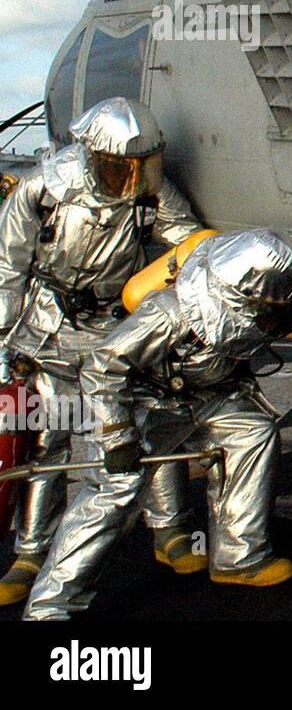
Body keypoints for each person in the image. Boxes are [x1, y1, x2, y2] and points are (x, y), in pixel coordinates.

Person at [24, 228, 292, 620]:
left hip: (217, 394)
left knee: (252, 432)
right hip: (150, 403)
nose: (279, 319)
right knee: (116, 489)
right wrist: (117, 436)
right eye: (269, 312)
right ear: (240, 295)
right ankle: (50, 602)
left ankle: (239, 556)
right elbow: (102, 367)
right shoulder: (170, 311)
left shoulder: (280, 296)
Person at [0, 98, 204, 605]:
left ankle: (171, 531)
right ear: (91, 156)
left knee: (143, 428)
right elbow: (7, 269)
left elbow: (190, 245)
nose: (133, 178)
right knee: (48, 439)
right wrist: (3, 345)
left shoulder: (150, 192)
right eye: (121, 167)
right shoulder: (43, 190)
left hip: (112, 328)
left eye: (145, 166)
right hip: (48, 328)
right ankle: (30, 553)